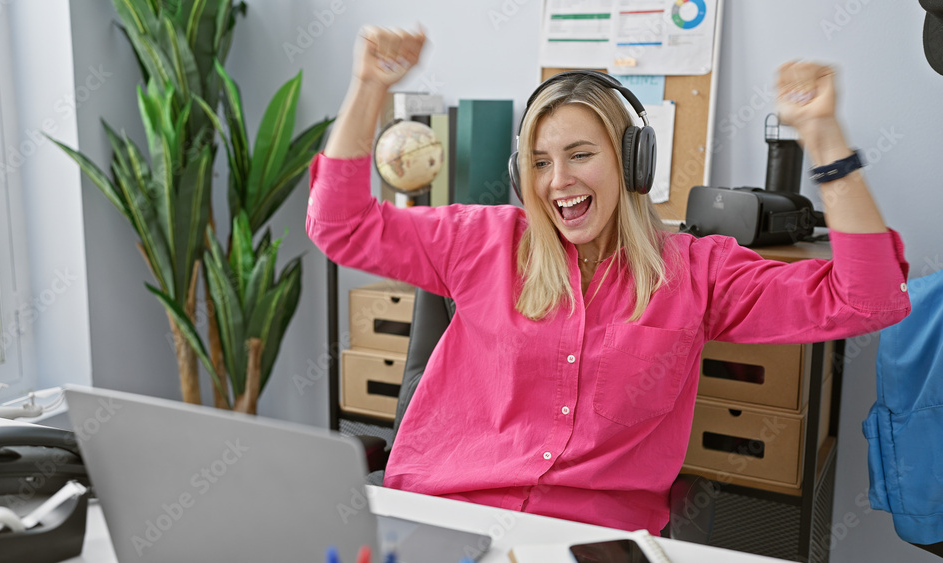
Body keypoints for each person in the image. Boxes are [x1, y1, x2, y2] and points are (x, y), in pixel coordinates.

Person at [306, 26, 911, 533]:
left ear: (632, 161)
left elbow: (870, 299)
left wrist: (823, 137)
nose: (558, 181)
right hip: (444, 516)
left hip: (587, 539)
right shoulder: (481, 240)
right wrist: (369, 87)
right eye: (539, 163)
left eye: (580, 154)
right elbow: (339, 226)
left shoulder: (695, 272)